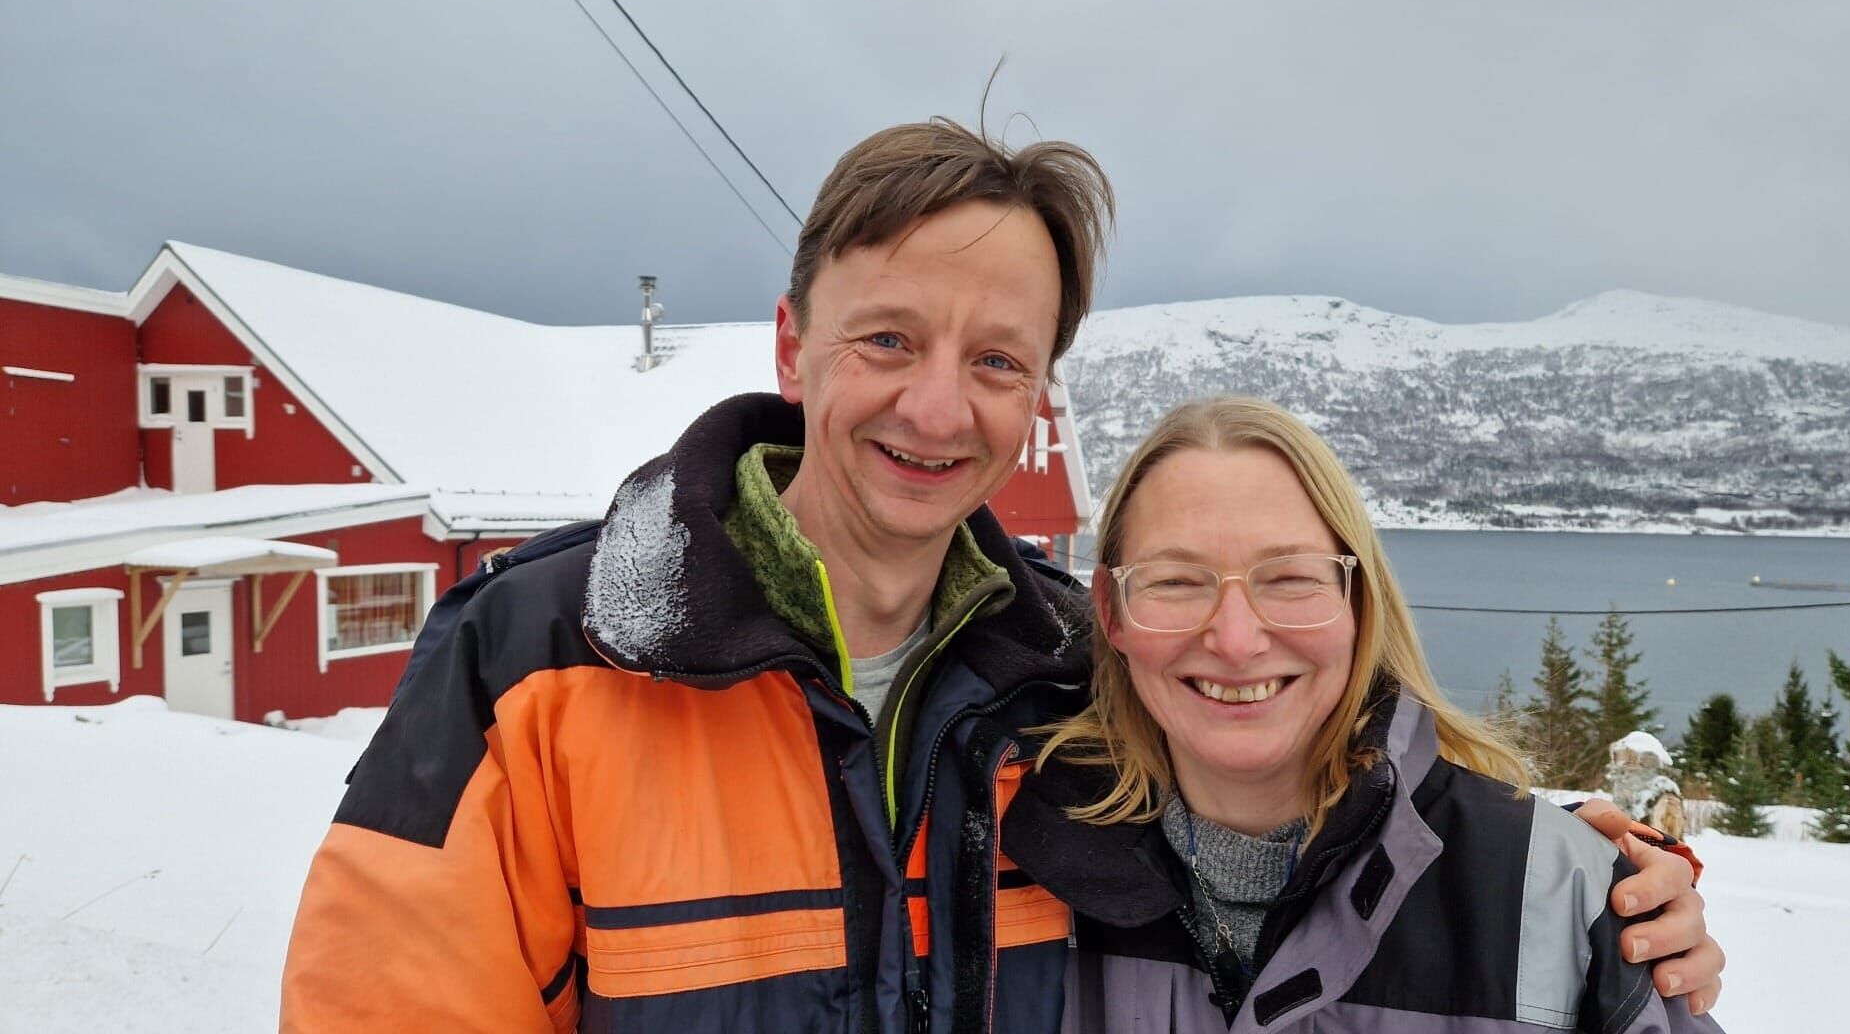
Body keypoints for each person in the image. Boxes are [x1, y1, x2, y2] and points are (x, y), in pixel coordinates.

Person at [280, 120, 1720, 1032]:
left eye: (995, 361)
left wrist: (1594, 900)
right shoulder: (547, 663)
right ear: (793, 345)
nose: (935, 409)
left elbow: (1298, 861)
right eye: (888, 341)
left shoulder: (1070, 696)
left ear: (1038, 391)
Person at [1004, 397, 1723, 1032]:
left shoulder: (1565, 898)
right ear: (1112, 612)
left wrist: (1572, 862)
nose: (1234, 638)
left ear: (1358, 602)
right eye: (1175, 581)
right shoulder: (1006, 873)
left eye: (1288, 578)